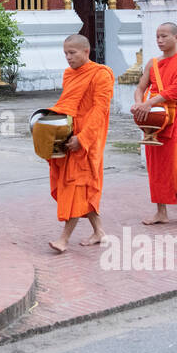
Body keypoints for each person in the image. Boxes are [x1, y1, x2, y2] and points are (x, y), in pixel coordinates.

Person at [43, 34, 113, 252]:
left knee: (76, 185)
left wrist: (83, 139)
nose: (68, 58)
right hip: (69, 134)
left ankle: (63, 239)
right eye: (65, 53)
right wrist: (51, 129)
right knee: (82, 188)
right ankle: (99, 231)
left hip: (89, 138)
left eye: (72, 53)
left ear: (86, 52)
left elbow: (99, 110)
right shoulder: (69, 74)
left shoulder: (101, 74)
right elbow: (67, 104)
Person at [132, 22, 177, 226]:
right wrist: (138, 104)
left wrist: (150, 102)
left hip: (173, 118)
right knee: (156, 168)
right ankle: (161, 211)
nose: (160, 40)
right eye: (158, 37)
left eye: (165, 36)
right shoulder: (153, 63)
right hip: (153, 120)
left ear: (176, 37)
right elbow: (141, 87)